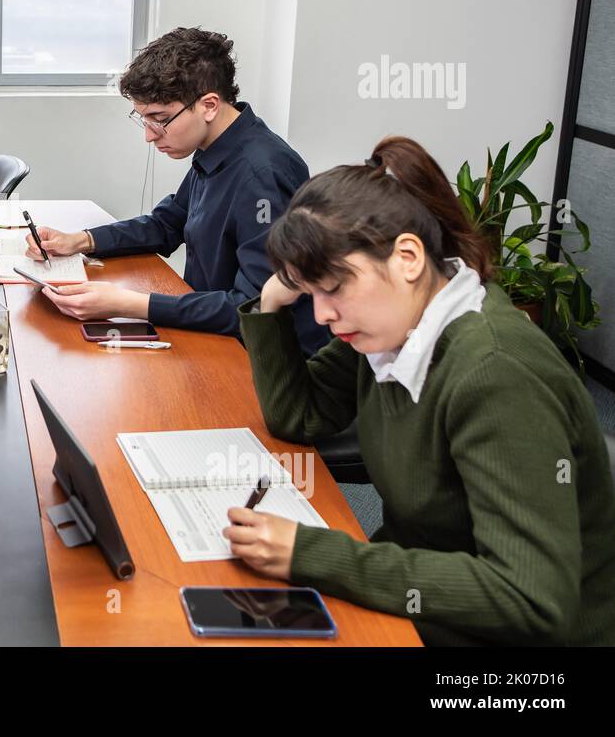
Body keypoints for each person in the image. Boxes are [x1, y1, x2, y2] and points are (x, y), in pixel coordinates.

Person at [225, 135, 615, 646]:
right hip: (429, 596)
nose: (320, 314)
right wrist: (273, 302)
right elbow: (300, 416)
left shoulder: (494, 371)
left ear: (407, 257)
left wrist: (315, 554)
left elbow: (531, 600)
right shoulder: (398, 324)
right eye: (310, 292)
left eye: (334, 287)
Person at [27, 26, 329, 354]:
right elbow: (168, 223)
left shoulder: (261, 174)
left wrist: (132, 304)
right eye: (143, 119)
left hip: (262, 357)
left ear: (209, 105)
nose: (150, 135)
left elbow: (254, 308)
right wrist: (80, 240)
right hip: (215, 333)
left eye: (160, 119)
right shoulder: (219, 146)